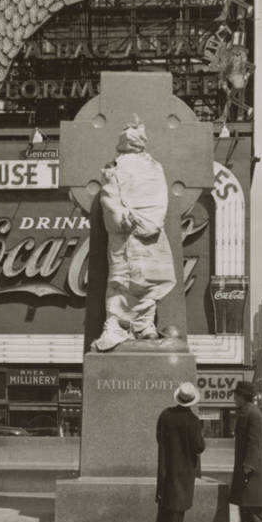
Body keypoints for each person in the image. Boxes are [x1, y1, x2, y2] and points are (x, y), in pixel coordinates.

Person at [92, 117, 176, 351]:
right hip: (123, 236)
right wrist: (123, 219)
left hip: (151, 235)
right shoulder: (113, 168)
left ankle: (143, 324)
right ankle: (117, 325)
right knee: (121, 281)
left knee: (151, 281)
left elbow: (160, 199)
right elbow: (109, 199)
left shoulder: (154, 167)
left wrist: (149, 222)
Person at [155, 382, 205, 522]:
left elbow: (159, 437)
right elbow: (199, 447)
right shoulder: (193, 420)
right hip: (184, 464)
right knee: (180, 497)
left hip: (166, 460)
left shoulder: (165, 415)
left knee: (166, 492)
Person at [230, 381, 262, 522]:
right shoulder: (245, 411)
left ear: (242, 396)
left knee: (253, 494)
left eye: (236, 394)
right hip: (245, 461)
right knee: (245, 494)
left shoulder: (253, 414)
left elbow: (255, 442)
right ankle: (248, 521)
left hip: (252, 464)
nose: (234, 397)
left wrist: (249, 464)